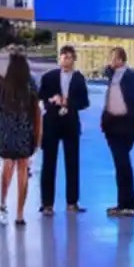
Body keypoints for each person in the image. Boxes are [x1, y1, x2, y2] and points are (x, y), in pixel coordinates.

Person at [0, 51, 41, 226]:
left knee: (7, 167)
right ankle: (20, 214)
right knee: (23, 170)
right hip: (25, 131)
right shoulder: (30, 85)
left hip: (6, 132)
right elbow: (36, 107)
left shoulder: (2, 83)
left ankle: (3, 204)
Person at [37, 44, 91, 215]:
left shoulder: (79, 79)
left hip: (71, 125)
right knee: (48, 163)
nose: (66, 60)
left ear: (73, 59)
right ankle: (47, 204)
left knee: (72, 163)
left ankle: (72, 202)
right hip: (51, 124)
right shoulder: (49, 77)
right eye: (63, 56)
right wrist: (52, 101)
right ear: (59, 58)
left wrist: (69, 102)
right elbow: (40, 98)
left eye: (69, 57)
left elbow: (84, 102)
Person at [101, 47, 134, 217]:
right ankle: (124, 203)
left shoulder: (133, 78)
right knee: (121, 165)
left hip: (125, 127)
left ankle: (128, 204)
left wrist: (132, 123)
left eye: (112, 57)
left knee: (123, 164)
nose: (109, 61)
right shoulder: (113, 76)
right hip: (112, 127)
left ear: (120, 59)